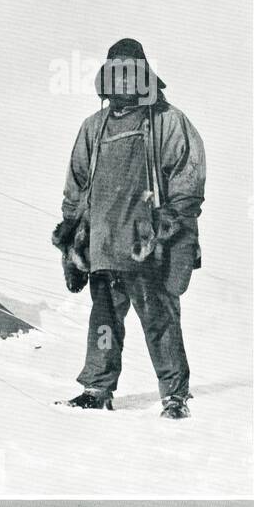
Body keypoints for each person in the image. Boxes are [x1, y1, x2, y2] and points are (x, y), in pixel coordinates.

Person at [54, 39, 205, 419]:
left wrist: (169, 223)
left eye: (129, 70)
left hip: (149, 247)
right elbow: (76, 185)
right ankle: (97, 389)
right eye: (115, 69)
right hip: (104, 246)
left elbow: (188, 180)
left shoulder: (169, 121)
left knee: (160, 320)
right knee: (104, 321)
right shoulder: (93, 127)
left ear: (143, 74)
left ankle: (174, 395)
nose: (122, 79)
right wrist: (73, 238)